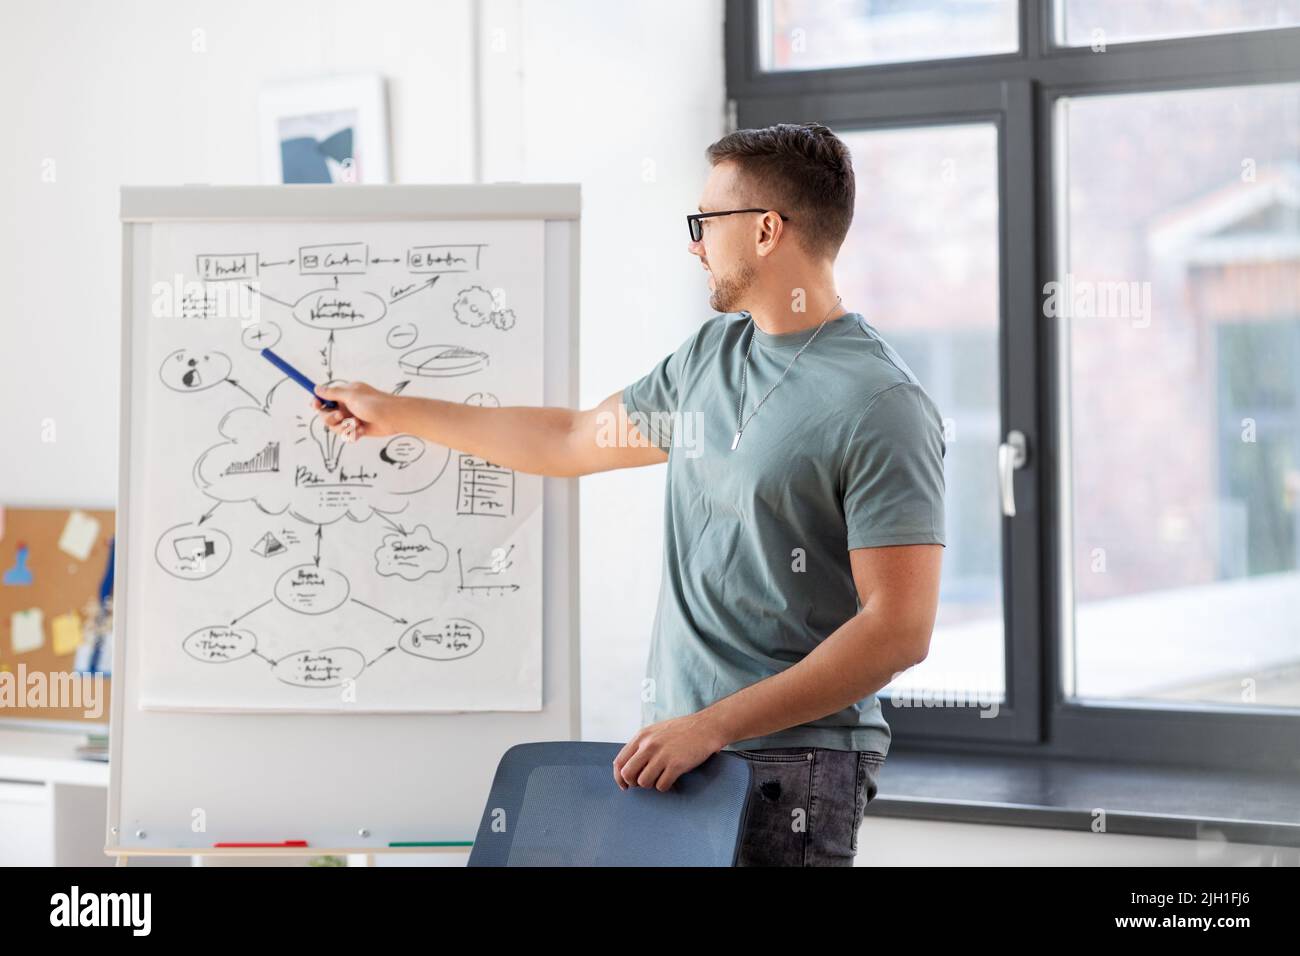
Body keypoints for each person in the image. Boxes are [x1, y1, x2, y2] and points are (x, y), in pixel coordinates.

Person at [313, 122, 946, 866]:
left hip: (792, 769)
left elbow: (898, 630)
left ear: (768, 230)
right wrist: (392, 410)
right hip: (679, 752)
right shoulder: (712, 357)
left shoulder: (880, 402)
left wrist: (712, 725)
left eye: (706, 221)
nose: (695, 242)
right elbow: (571, 440)